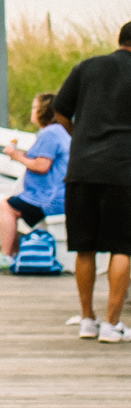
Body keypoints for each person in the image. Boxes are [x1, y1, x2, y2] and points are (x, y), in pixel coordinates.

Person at [52, 21, 131, 342]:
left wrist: (81, 138)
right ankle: (112, 325)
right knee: (122, 247)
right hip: (124, 170)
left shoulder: (87, 67)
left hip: (83, 168)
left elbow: (59, 112)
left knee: (84, 247)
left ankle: (88, 319)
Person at [0, 93, 69, 272]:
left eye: (35, 107)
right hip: (55, 193)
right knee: (10, 202)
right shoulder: (58, 131)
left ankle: (6, 255)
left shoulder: (50, 133)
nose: (32, 111)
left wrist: (16, 156)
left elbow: (42, 165)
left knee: (7, 205)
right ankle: (12, 252)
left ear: (44, 112)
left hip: (49, 199)